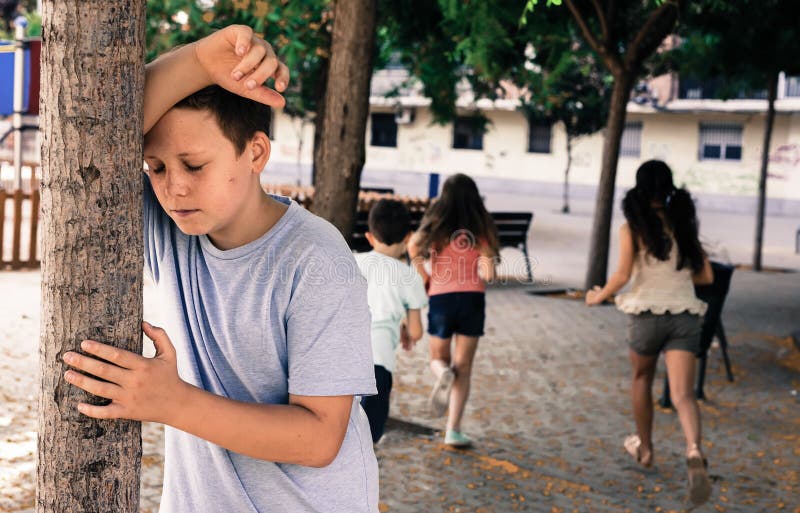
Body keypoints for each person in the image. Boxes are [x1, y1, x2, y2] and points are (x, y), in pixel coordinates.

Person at [61, 26, 379, 513]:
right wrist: (200, 62)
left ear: (255, 153)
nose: (174, 189)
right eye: (157, 168)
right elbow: (91, 140)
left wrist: (172, 402)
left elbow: (319, 438)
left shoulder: (316, 258)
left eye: (194, 165)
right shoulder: (171, 226)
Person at [585, 160, 714, 507]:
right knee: (684, 395)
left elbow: (624, 273)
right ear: (669, 188)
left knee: (642, 378)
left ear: (640, 188)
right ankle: (693, 450)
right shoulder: (683, 225)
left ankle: (645, 449)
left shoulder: (632, 228)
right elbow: (706, 278)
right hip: (685, 316)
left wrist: (599, 294)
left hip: (646, 316)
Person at [407, 173, 499, 447]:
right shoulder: (481, 232)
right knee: (465, 367)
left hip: (441, 298)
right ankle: (453, 430)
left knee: (439, 358)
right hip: (472, 300)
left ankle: (441, 374)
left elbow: (412, 246)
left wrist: (425, 276)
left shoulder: (437, 229)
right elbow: (489, 274)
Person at [355, 199, 428, 443]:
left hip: (344, 356)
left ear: (369, 236)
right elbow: (416, 332)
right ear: (408, 237)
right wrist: (405, 326)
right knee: (369, 433)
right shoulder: (409, 276)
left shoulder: (352, 262)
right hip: (379, 362)